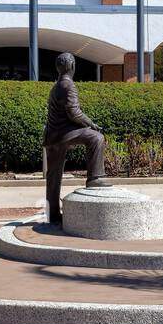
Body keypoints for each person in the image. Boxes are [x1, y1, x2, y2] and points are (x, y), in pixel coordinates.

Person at [43, 52, 110, 224]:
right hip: (64, 134)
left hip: (52, 137)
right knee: (97, 138)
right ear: (72, 66)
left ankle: (52, 215)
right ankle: (95, 179)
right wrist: (92, 124)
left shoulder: (56, 86)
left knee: (53, 177)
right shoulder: (68, 86)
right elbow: (74, 112)